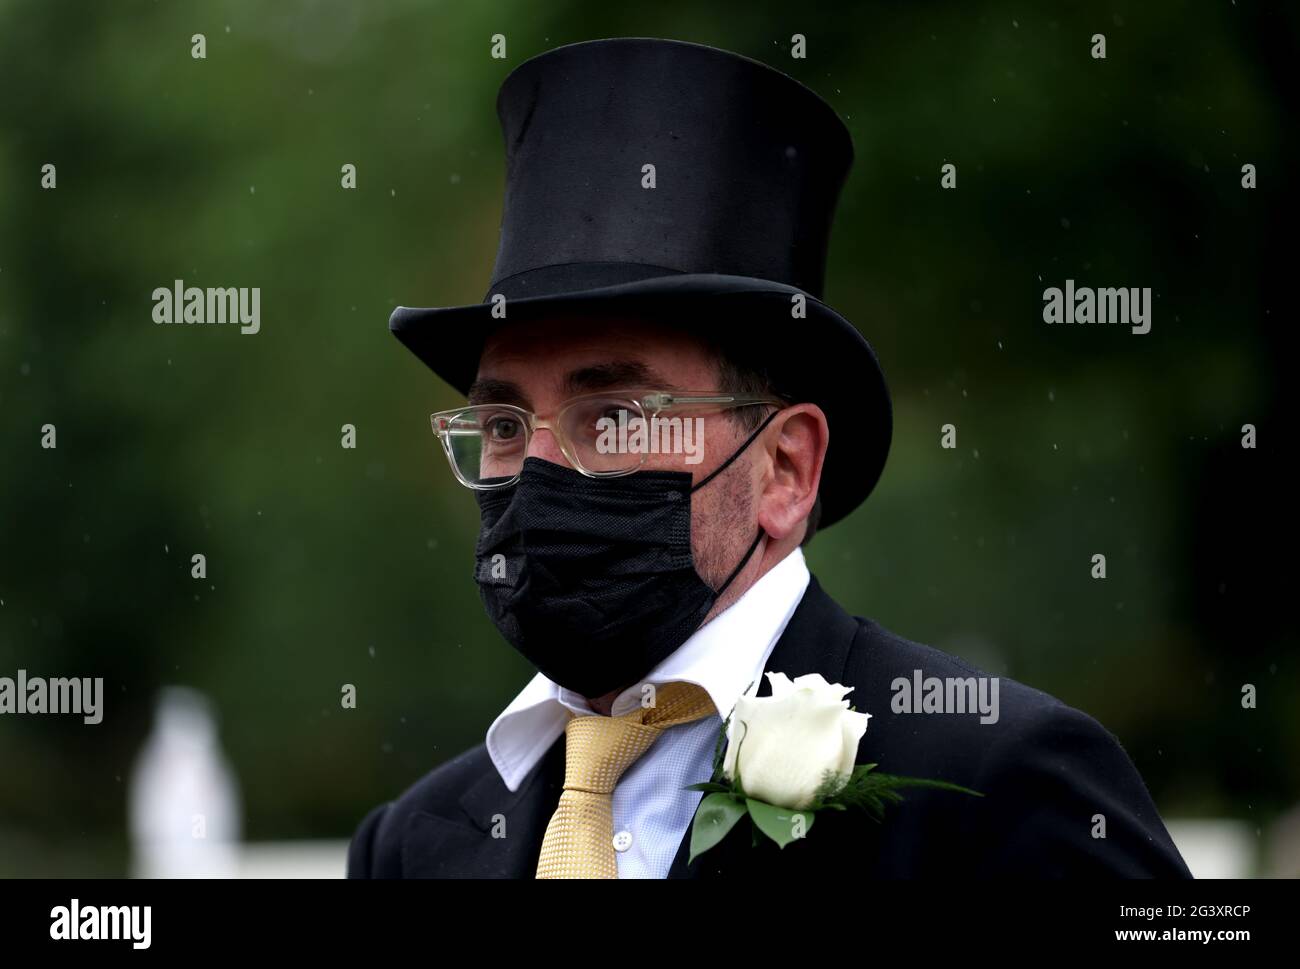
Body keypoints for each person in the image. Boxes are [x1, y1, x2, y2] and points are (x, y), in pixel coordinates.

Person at [347, 37, 1191, 879]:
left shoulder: (998, 792)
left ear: (785, 470)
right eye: (500, 425)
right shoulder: (410, 847)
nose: (535, 471)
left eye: (612, 418)